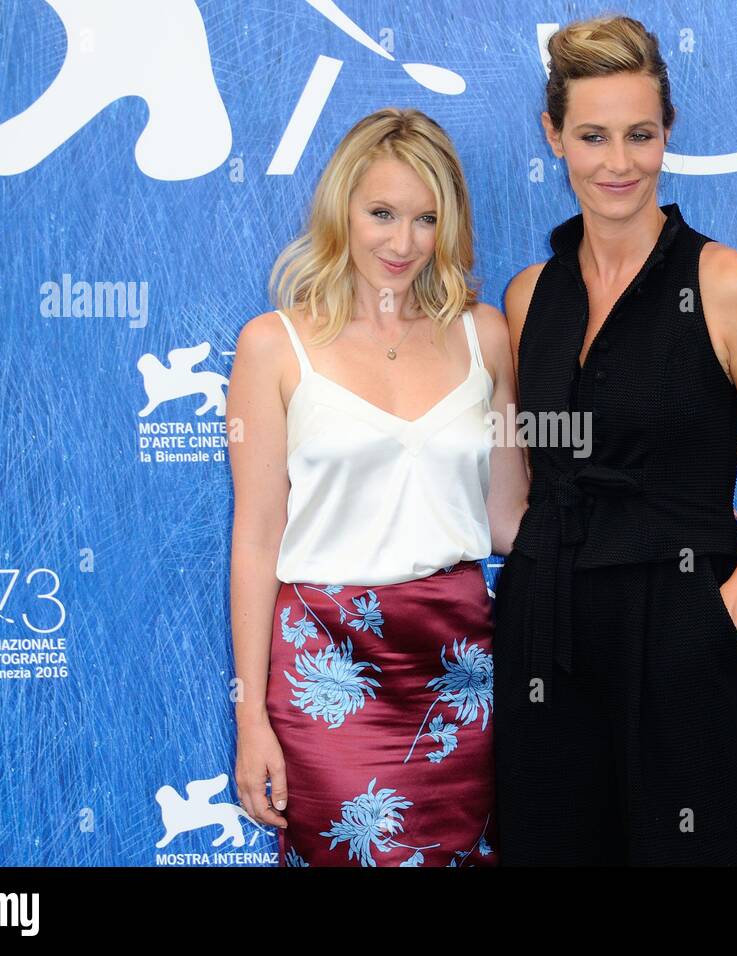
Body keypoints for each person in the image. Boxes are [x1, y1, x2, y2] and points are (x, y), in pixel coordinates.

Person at [492, 15, 737, 865]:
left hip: (679, 618)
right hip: (547, 625)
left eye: (640, 135)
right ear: (554, 137)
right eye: (593, 136)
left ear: (667, 136)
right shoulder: (530, 295)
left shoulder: (725, 283)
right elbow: (531, 473)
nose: (618, 162)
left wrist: (723, 613)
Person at [226, 108, 528, 867]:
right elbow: (257, 539)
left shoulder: (483, 336)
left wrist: (655, 516)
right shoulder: (273, 346)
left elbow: (509, 521)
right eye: (382, 214)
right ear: (342, 211)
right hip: (327, 668)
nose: (402, 243)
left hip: (461, 666)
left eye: (426, 219)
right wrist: (253, 719)